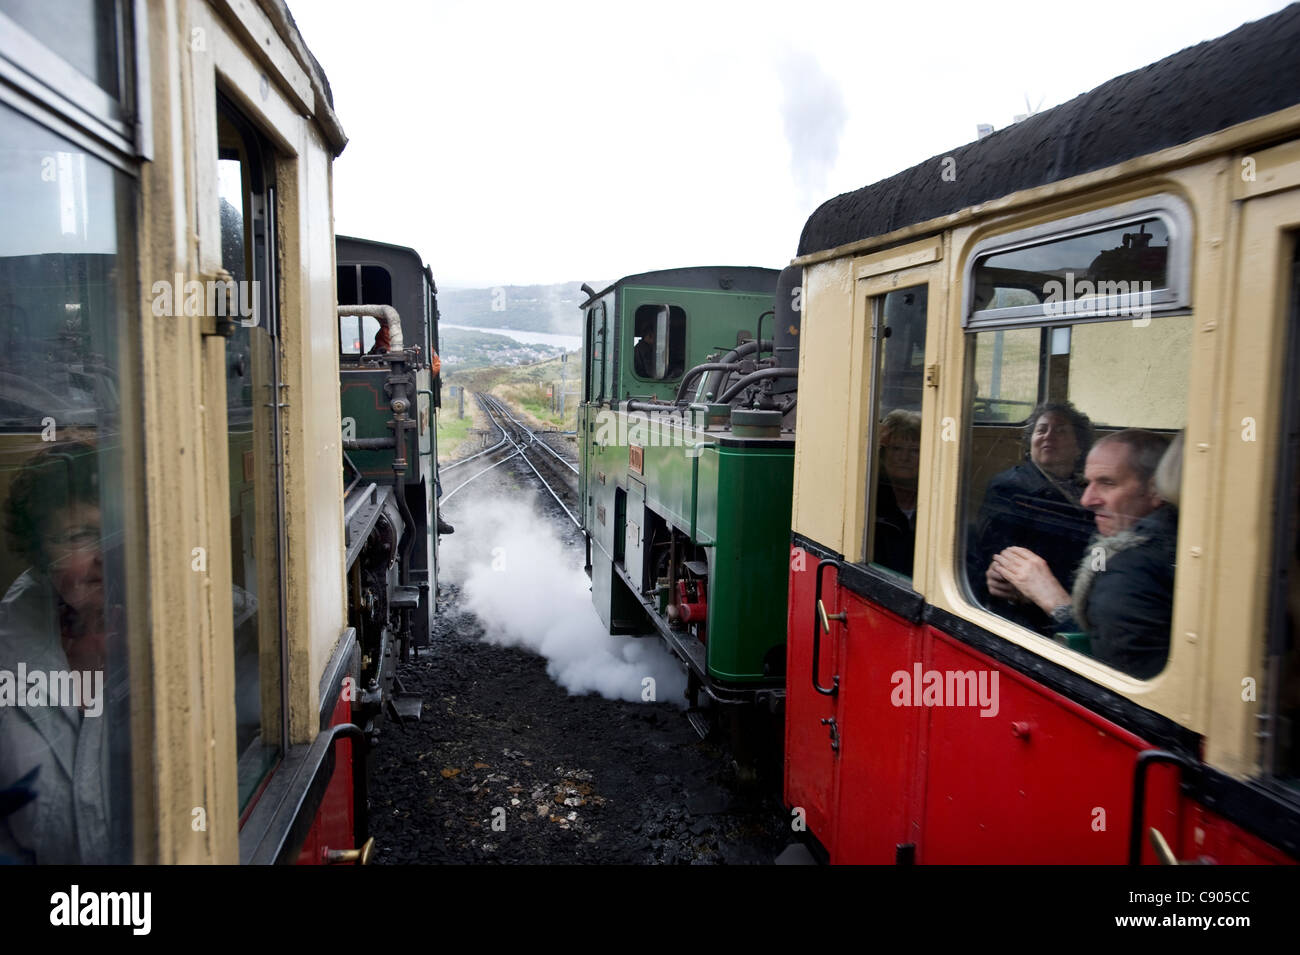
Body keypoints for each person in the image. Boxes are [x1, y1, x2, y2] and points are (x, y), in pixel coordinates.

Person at [0, 441, 113, 863]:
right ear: (39, 554)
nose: (106, 556)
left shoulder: (213, 627)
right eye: (78, 537)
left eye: (116, 530)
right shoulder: (5, 651)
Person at [992, 429, 1177, 679]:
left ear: (1156, 490)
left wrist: (1054, 602)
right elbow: (1098, 580)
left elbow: (1110, 679)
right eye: (1086, 483)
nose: (1087, 500)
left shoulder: (1133, 568)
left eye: (1107, 483)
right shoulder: (1113, 542)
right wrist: (1029, 589)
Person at [972, 402, 1097, 631]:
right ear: (1030, 443)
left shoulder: (1087, 488)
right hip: (1034, 617)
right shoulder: (1010, 487)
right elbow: (1000, 560)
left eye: (1060, 430)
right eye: (1041, 430)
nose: (1049, 436)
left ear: (1078, 446)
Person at [874, 409, 921, 576]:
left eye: (914, 450)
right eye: (896, 449)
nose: (905, 457)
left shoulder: (936, 505)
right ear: (883, 454)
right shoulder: (870, 504)